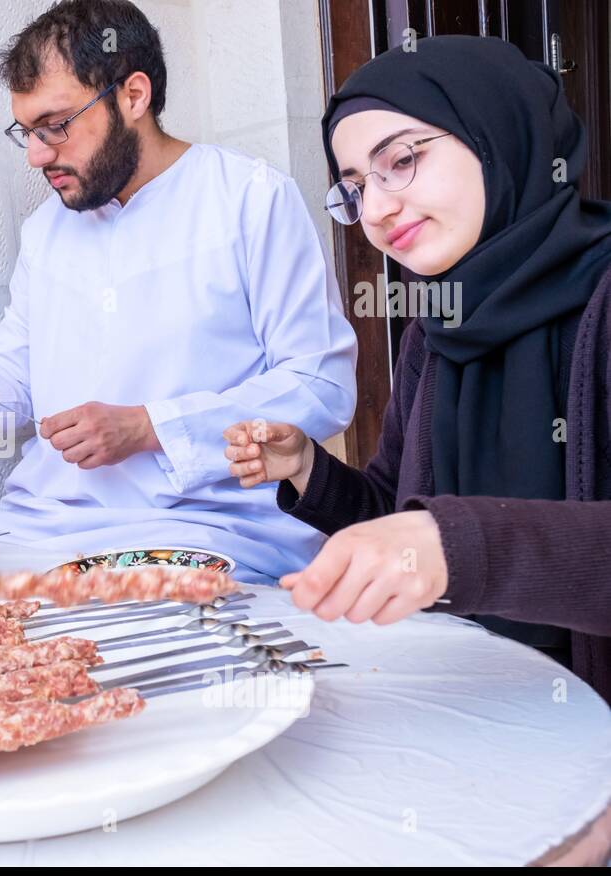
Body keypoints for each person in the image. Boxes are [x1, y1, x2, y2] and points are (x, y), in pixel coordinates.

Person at [0, 0, 356, 584]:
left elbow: (320, 386)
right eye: (28, 131)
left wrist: (148, 428)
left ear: (133, 96)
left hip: (206, 528)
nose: (38, 155)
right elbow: (9, 396)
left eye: (57, 125)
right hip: (42, 527)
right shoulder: (46, 231)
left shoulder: (250, 198)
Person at [222, 36, 611, 701]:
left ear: (495, 132)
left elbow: (446, 541)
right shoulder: (436, 332)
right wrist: (308, 469)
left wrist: (460, 546)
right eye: (353, 189)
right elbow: (396, 512)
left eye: (399, 161)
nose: (373, 211)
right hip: (472, 697)